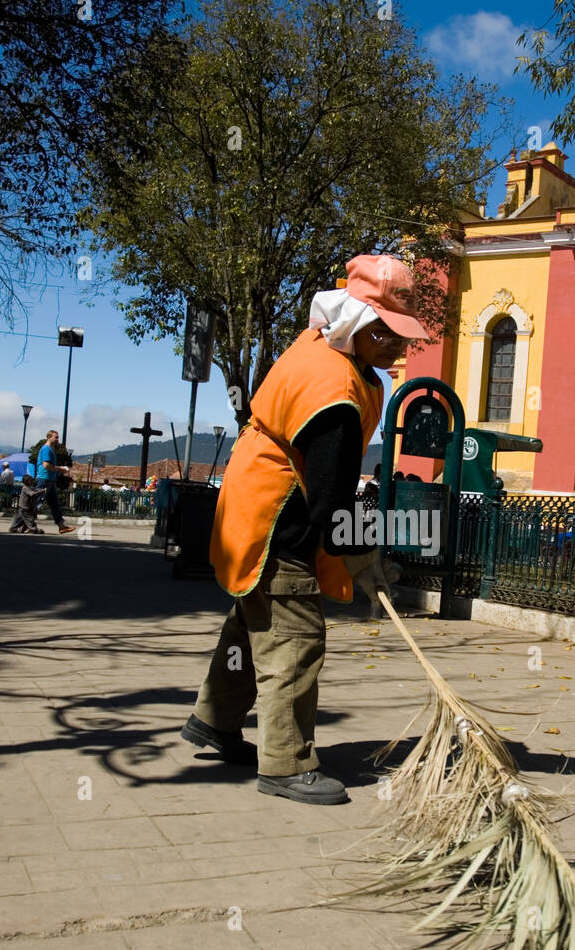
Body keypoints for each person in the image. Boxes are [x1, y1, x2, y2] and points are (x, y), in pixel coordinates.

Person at [182, 253, 425, 805]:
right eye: (389, 334)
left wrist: (361, 552)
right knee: (295, 638)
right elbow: (332, 502)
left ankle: (214, 721)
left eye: (402, 337)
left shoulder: (320, 349)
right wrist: (367, 562)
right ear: (359, 324)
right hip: (277, 526)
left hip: (250, 507)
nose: (400, 348)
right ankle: (287, 764)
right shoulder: (333, 392)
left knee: (255, 621)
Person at [35, 430, 75, 534]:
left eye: (58, 437)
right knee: (36, 503)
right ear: (49, 437)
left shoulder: (50, 449)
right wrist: (60, 469)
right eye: (56, 437)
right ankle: (24, 524)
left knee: (54, 504)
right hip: (44, 479)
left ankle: (61, 526)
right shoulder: (46, 449)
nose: (57, 439)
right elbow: (46, 465)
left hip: (50, 479)